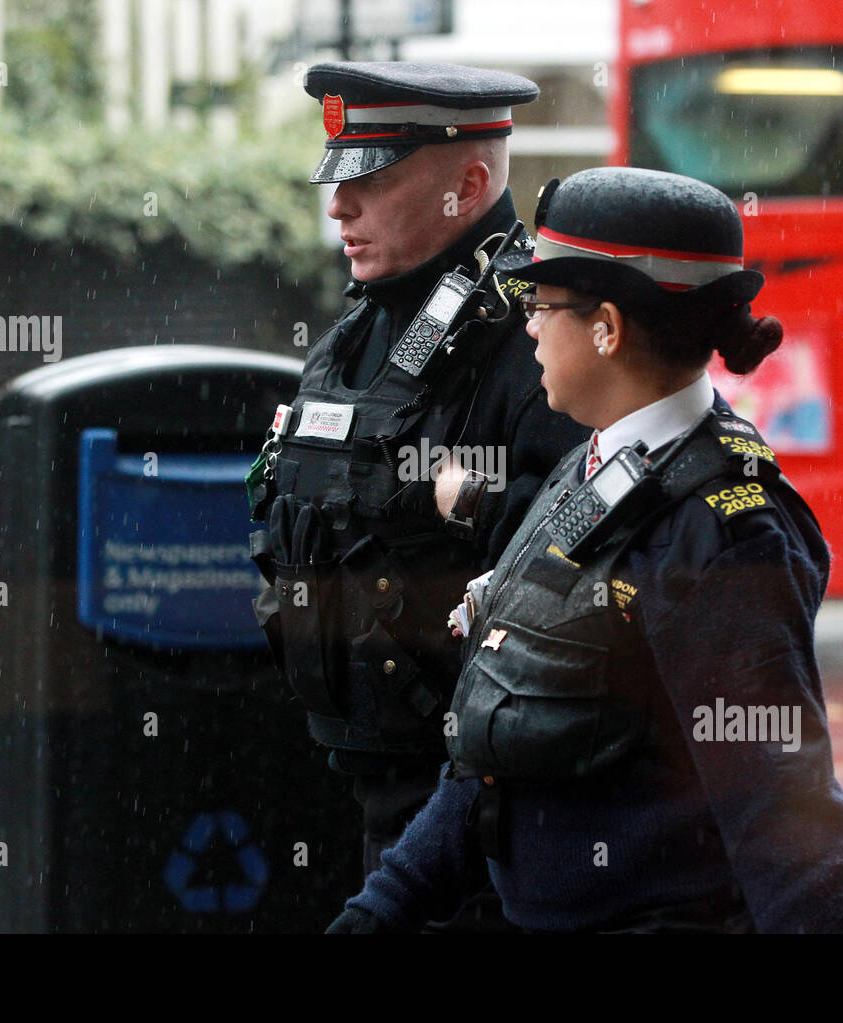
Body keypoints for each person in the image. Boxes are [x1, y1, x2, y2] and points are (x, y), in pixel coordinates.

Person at [326, 166, 843, 933]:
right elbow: (490, 767)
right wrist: (374, 915)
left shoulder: (720, 533)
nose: (527, 326)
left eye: (541, 305)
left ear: (607, 327)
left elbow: (784, 822)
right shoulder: (597, 469)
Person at [248, 61, 588, 919]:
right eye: (338, 182)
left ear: (468, 184)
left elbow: (582, 562)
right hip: (346, 778)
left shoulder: (535, 340)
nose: (338, 209)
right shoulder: (361, 331)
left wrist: (468, 500)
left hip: (471, 817)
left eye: (370, 181)